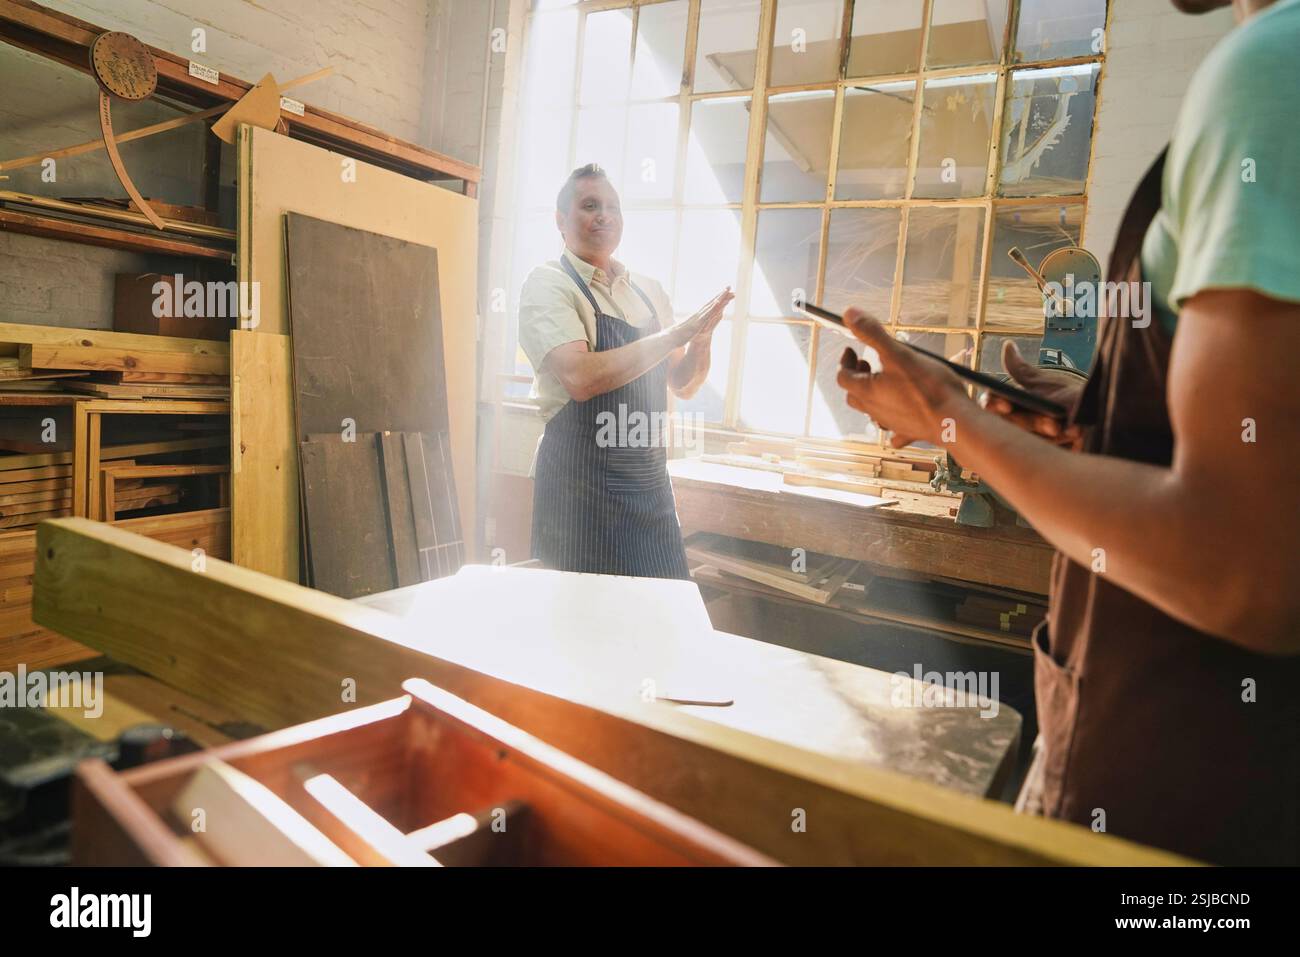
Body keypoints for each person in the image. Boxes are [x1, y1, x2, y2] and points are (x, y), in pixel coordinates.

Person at [834, 0, 1299, 864]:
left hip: (1182, 804)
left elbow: (1245, 565)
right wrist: (1098, 422)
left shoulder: (1274, 67)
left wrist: (950, 417)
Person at [518, 164, 733, 579]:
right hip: (579, 495)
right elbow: (581, 379)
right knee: (587, 625)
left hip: (649, 485)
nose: (604, 215)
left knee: (663, 611)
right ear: (560, 220)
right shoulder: (548, 284)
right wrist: (673, 336)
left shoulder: (648, 291)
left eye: (612, 206)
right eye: (589, 205)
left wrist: (700, 339)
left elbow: (684, 384)